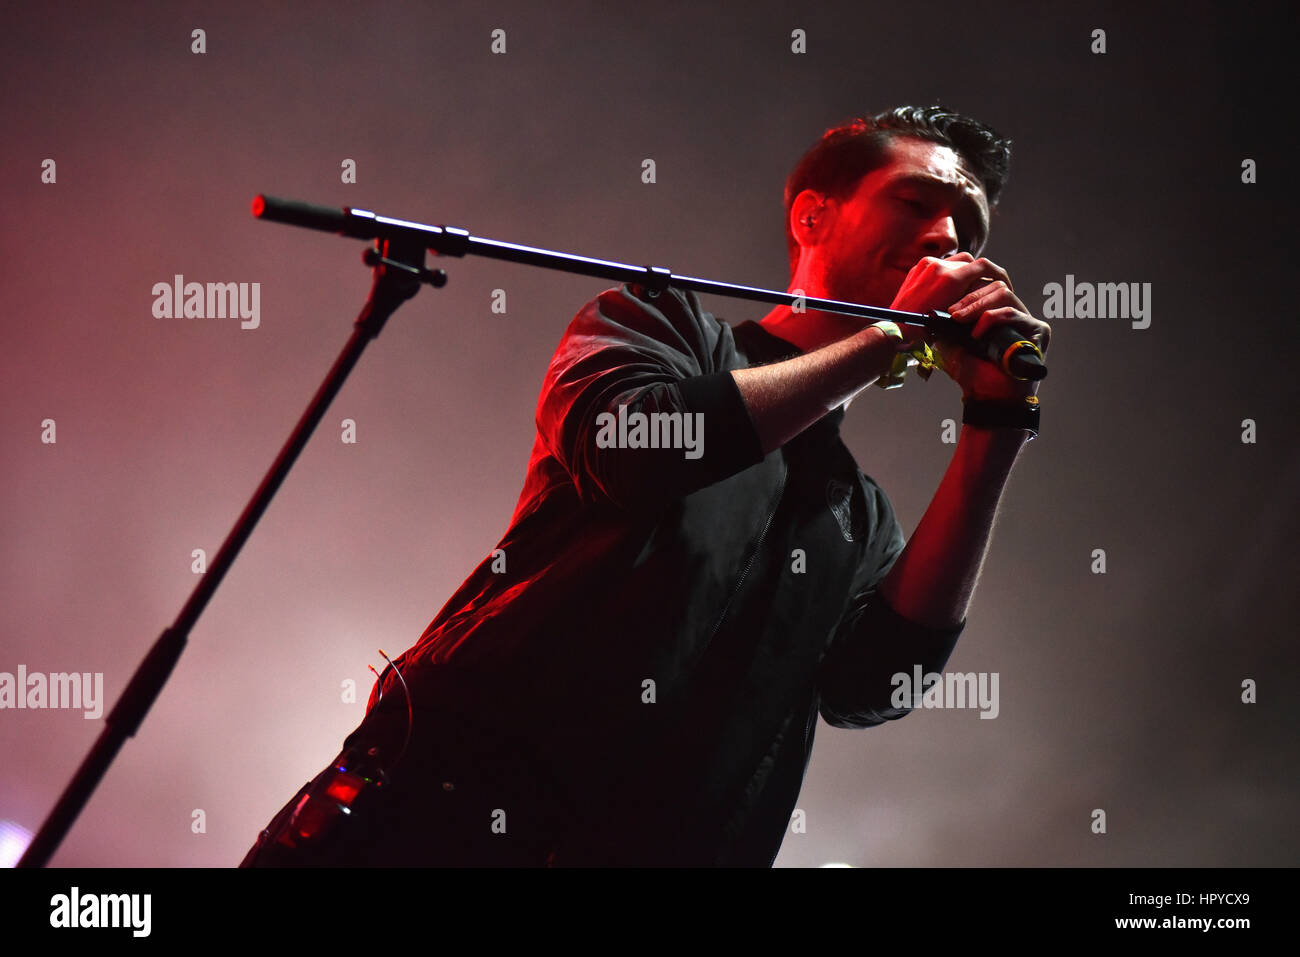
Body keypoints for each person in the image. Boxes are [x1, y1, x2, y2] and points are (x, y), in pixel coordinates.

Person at [239, 104, 1051, 868]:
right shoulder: (658, 325)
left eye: (969, 230)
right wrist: (890, 335)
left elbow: (874, 686)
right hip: (436, 825)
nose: (949, 237)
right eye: (918, 201)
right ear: (812, 216)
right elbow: (631, 444)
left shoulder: (857, 512)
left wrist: (996, 423)